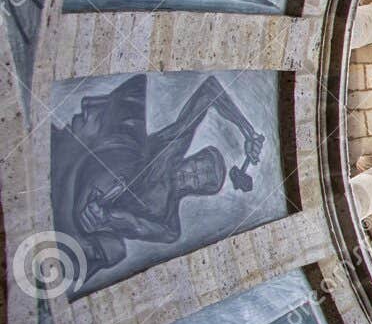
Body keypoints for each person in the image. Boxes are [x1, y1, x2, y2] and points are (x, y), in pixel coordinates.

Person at [51, 73, 265, 284]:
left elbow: (136, 225)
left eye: (199, 178)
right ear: (189, 157)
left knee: (114, 250)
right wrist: (249, 132)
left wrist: (106, 216)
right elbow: (210, 90)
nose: (191, 174)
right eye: (196, 165)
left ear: (197, 190)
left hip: (91, 215)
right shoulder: (171, 148)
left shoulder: (170, 223)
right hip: (97, 163)